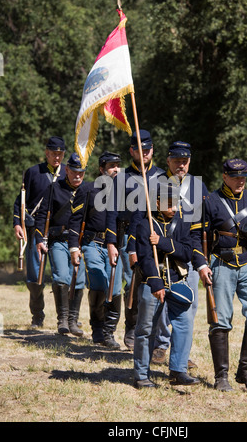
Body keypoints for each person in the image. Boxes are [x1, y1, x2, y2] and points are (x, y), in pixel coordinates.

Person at [192, 158, 247, 391]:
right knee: (220, 320)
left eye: (243, 177)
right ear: (224, 176)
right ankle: (221, 376)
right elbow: (197, 236)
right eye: (236, 177)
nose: (240, 181)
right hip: (221, 263)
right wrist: (201, 264)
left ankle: (245, 371)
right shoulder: (209, 201)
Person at [134, 184, 200, 388]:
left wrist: (162, 242)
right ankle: (141, 375)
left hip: (177, 281)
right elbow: (145, 258)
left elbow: (187, 252)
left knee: (184, 326)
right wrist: (155, 283)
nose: (173, 208)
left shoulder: (181, 223)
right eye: (168, 203)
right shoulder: (146, 225)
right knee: (146, 329)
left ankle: (179, 370)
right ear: (156, 203)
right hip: (153, 283)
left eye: (175, 203)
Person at [106, 129, 165, 350]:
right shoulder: (122, 178)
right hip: (128, 238)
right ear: (132, 151)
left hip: (156, 238)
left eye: (148, 149)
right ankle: (131, 327)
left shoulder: (161, 175)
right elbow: (111, 211)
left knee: (158, 283)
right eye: (141, 149)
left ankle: (157, 335)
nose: (145, 153)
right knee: (133, 283)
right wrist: (111, 242)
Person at [151, 141, 209, 365]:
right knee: (164, 301)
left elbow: (204, 222)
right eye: (176, 161)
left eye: (185, 161)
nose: (181, 165)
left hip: (190, 250)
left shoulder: (197, 186)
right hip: (163, 250)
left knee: (189, 302)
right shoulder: (157, 183)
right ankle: (161, 345)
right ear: (168, 160)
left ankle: (181, 350)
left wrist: (204, 256)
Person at [69, 151, 123, 349]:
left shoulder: (126, 193)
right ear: (102, 169)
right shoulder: (88, 190)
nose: (116, 169)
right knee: (99, 282)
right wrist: (74, 247)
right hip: (92, 244)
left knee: (115, 289)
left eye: (118, 165)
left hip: (116, 246)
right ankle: (98, 328)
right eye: (111, 165)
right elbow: (75, 220)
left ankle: (109, 332)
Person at [13, 136, 66, 327]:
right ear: (46, 153)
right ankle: (38, 316)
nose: (57, 157)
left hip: (59, 232)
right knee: (35, 277)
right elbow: (21, 201)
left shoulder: (68, 173)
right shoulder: (33, 172)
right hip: (35, 230)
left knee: (62, 277)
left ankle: (64, 319)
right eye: (53, 154)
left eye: (60, 154)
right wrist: (17, 223)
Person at [35, 153, 86, 336]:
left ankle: (73, 321)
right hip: (58, 239)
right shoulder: (54, 188)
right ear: (67, 170)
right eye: (74, 172)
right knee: (62, 276)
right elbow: (43, 215)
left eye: (81, 172)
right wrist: (40, 239)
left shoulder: (87, 191)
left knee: (79, 280)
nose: (77, 176)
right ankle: (62, 320)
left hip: (79, 242)